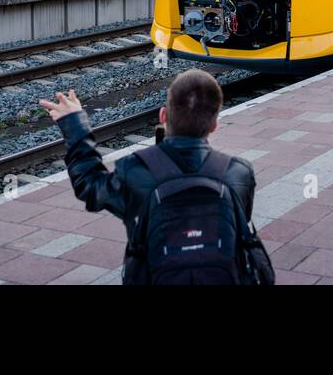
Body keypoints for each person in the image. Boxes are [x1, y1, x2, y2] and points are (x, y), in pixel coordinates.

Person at [40, 68, 268, 284]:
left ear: (162, 115)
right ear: (215, 125)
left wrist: (75, 124)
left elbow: (90, 187)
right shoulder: (239, 172)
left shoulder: (134, 170)